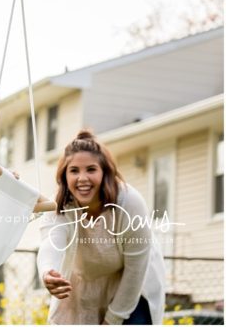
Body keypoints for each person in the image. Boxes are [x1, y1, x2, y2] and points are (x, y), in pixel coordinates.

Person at [38, 130, 165, 325]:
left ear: (104, 172)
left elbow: (135, 270)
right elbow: (51, 243)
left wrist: (112, 320)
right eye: (74, 170)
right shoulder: (61, 204)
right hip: (85, 287)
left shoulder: (129, 202)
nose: (82, 178)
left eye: (91, 169)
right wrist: (47, 271)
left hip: (133, 286)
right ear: (64, 175)